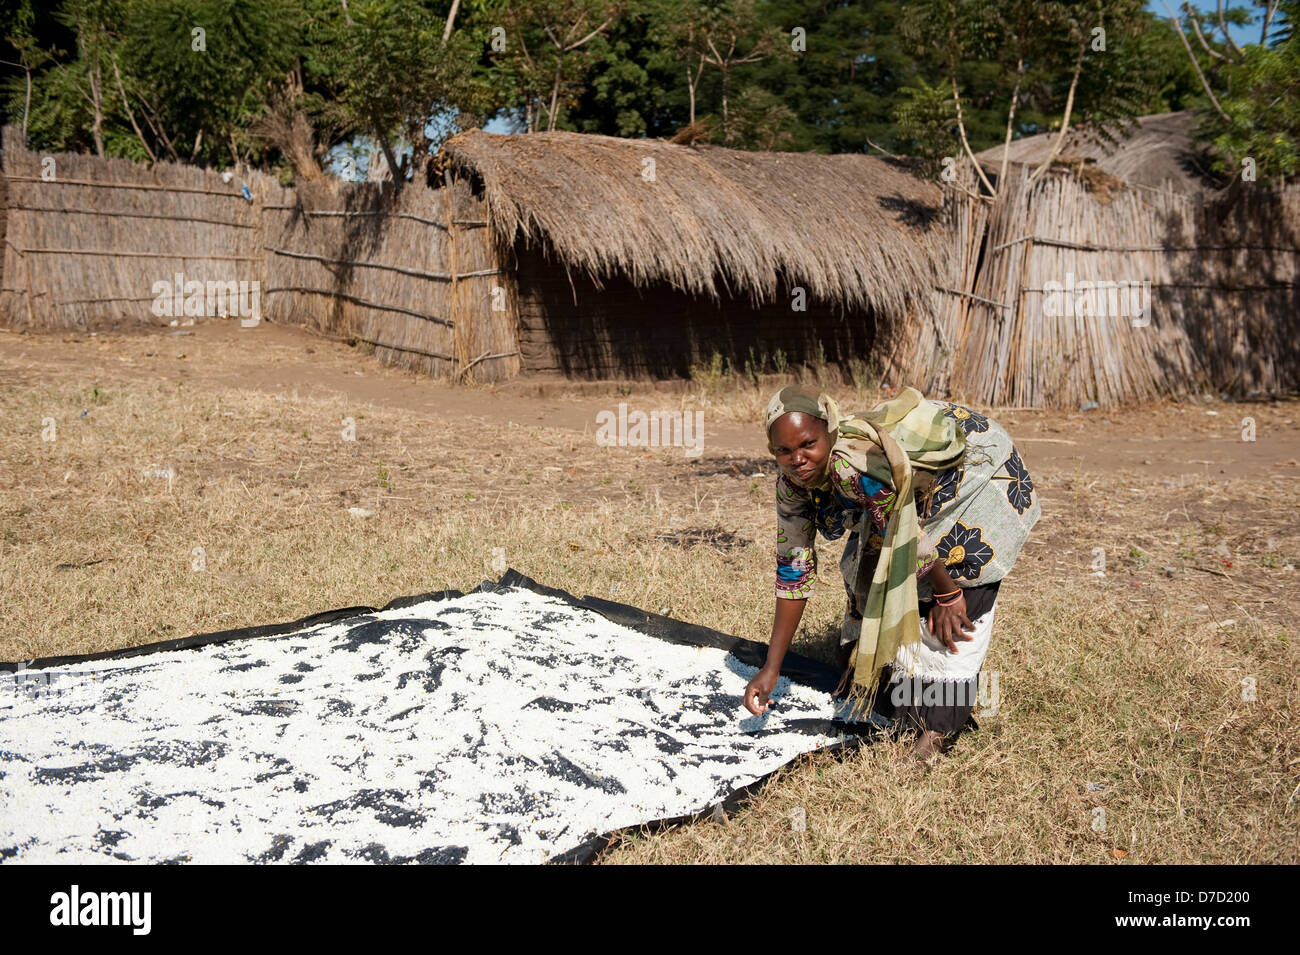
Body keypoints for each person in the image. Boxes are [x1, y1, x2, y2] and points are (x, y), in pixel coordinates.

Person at [742, 384, 1040, 763]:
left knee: (959, 567)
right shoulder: (791, 484)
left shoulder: (851, 464)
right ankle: (893, 675)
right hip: (898, 497)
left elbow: (904, 534)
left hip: (969, 468)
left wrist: (948, 594)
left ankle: (937, 729)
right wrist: (772, 667)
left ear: (830, 431)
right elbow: (793, 569)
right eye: (784, 451)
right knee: (866, 570)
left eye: (807, 444)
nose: (797, 459)